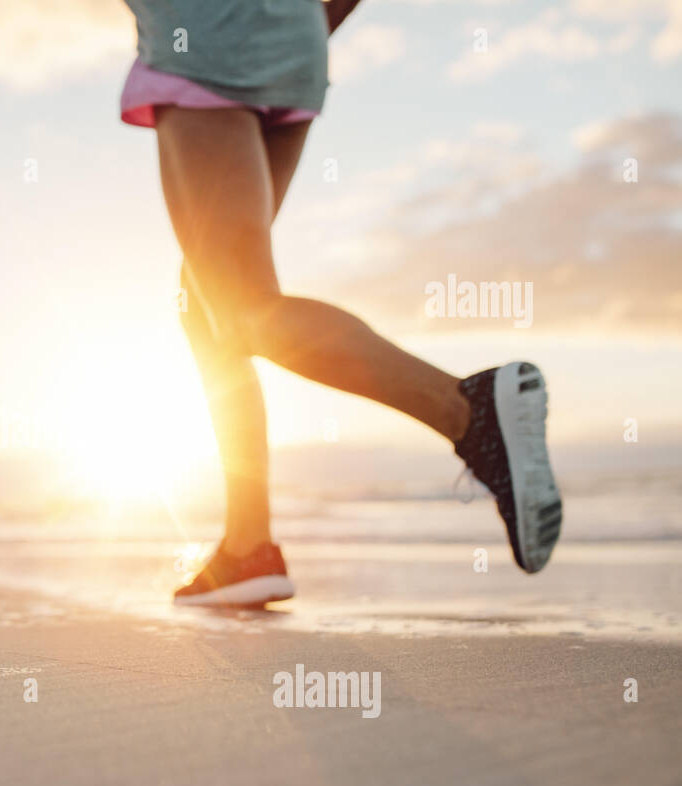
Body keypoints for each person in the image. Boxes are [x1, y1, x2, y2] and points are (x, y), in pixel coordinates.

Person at [120, 0, 561, 606]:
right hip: (293, 43)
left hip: (205, 37)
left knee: (242, 308)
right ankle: (247, 548)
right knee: (207, 306)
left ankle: (467, 411)